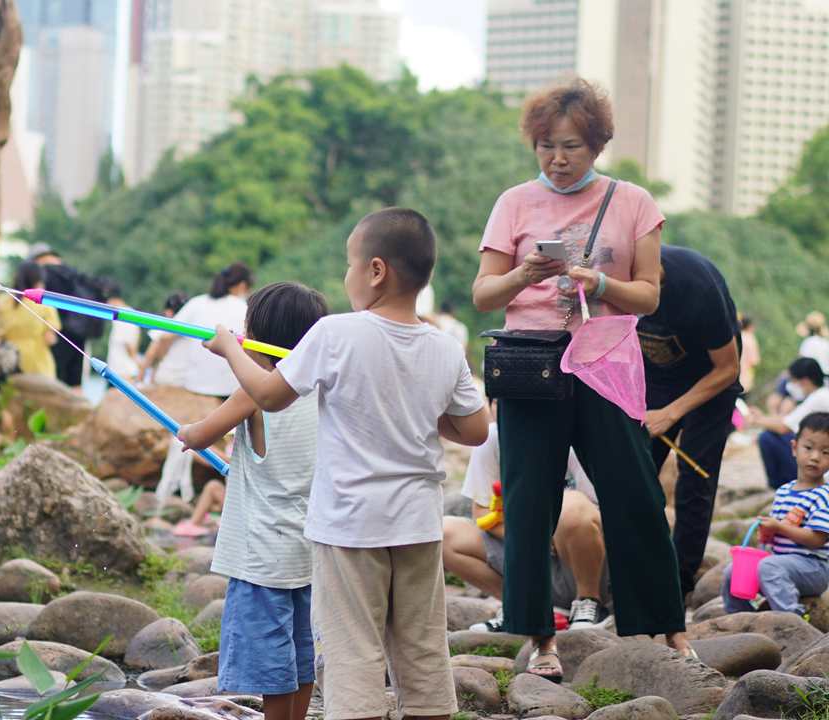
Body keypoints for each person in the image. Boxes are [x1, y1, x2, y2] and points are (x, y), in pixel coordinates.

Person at [205, 208, 488, 720]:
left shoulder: (335, 333)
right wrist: (419, 413)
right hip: (419, 524)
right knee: (423, 647)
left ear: (376, 271)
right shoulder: (446, 347)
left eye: (349, 264)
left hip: (350, 526)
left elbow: (269, 395)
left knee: (353, 649)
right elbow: (474, 430)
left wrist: (230, 348)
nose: (346, 276)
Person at [471, 78, 692, 676]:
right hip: (532, 366)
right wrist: (525, 275)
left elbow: (648, 296)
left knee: (636, 493)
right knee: (528, 500)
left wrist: (601, 282)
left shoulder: (633, 202)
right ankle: (539, 637)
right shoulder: (513, 203)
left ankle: (666, 627)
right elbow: (484, 294)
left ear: (597, 144)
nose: (557, 159)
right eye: (546, 146)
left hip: (606, 364)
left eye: (570, 146)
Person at [177, 282, 328, 720]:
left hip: (262, 559)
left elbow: (199, 435)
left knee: (270, 663)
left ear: (260, 339)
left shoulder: (253, 396)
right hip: (309, 553)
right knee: (301, 653)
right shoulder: (323, 391)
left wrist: (185, 431)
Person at [443, 402, 609, 637]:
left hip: (581, 558)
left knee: (570, 505)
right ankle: (521, 606)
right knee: (445, 533)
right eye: (501, 401)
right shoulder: (491, 440)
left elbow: (596, 511)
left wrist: (549, 533)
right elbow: (481, 513)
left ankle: (589, 602)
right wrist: (535, 536)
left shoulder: (571, 436)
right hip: (527, 551)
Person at [637, 245, 743, 597]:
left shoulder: (696, 286)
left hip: (711, 381)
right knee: (636, 475)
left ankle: (677, 583)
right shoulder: (613, 284)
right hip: (655, 381)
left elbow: (728, 369)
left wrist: (670, 414)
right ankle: (637, 570)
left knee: (695, 478)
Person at [146, 264, 251, 507]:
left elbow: (165, 335)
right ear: (242, 286)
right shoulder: (243, 308)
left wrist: (150, 370)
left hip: (196, 384)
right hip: (231, 385)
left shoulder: (197, 303)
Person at [720, 412, 829, 616]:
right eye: (808, 448)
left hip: (813, 568)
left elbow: (817, 540)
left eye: (826, 452)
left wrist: (779, 527)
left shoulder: (824, 495)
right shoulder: (783, 491)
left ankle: (791, 618)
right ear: (794, 448)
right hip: (777, 564)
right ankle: (742, 618)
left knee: (769, 567)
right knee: (732, 571)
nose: (815, 457)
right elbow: (773, 537)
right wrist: (768, 533)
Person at [29, 243, 106, 388]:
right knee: (75, 381)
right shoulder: (75, 273)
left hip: (58, 333)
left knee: (56, 380)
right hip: (81, 333)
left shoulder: (44, 273)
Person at [751, 359, 829, 488]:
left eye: (792, 381)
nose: (790, 386)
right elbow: (787, 420)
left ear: (804, 381)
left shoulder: (819, 397)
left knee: (767, 437)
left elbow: (783, 427)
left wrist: (756, 420)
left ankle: (780, 485)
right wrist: (761, 418)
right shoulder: (820, 394)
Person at [0, 262, 62, 378]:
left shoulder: (3, 302)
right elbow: (50, 339)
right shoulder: (45, 304)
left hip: (10, 362)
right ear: (39, 280)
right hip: (38, 362)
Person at [99, 280, 141, 381]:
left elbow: (131, 347)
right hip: (115, 372)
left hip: (123, 374)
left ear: (111, 299)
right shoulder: (120, 317)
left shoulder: (125, 316)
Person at [739, 314, 762, 396]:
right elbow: (754, 361)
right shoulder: (750, 339)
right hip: (742, 379)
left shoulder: (736, 334)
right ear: (750, 326)